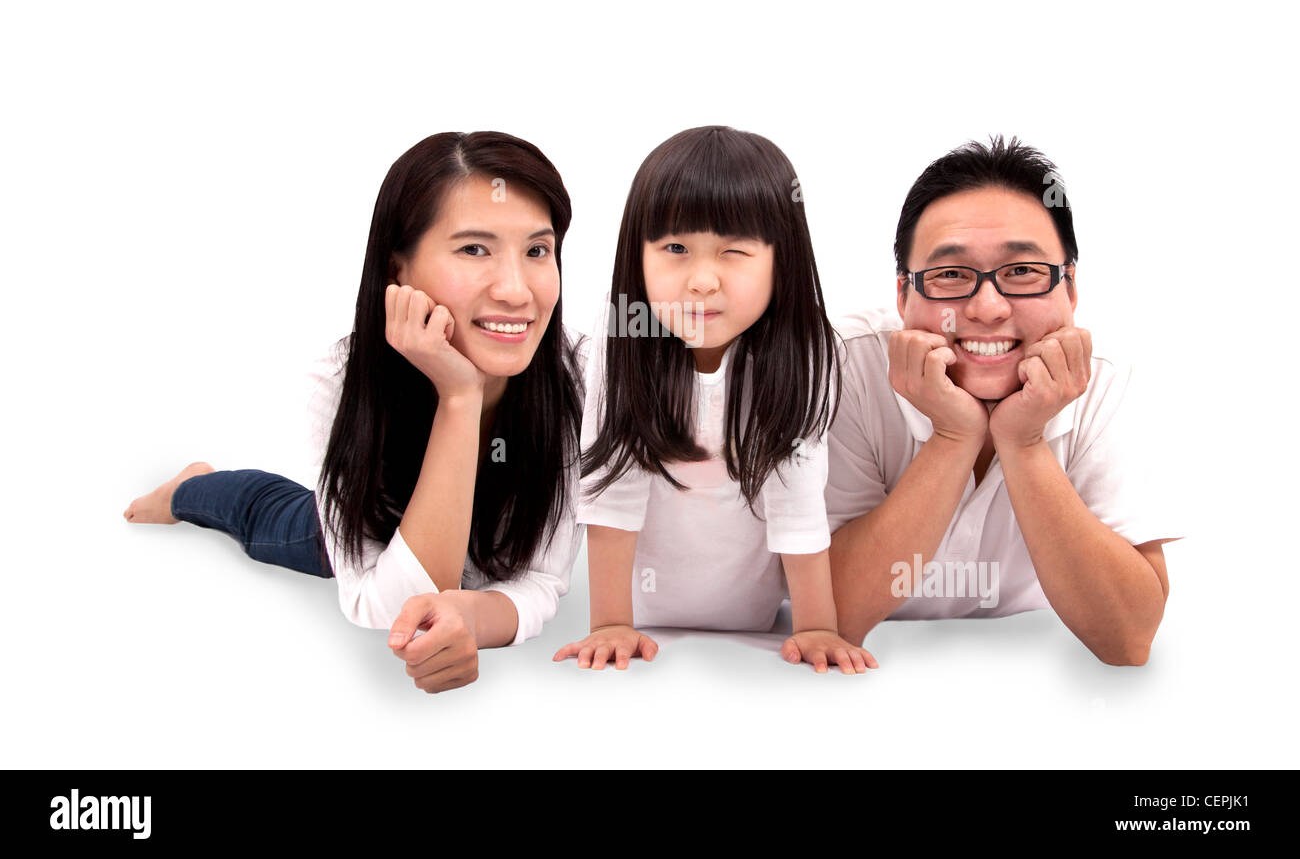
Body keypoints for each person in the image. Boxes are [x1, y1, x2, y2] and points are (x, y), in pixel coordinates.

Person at [124, 131, 585, 692]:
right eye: (474, 249)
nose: (517, 291)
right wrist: (459, 399)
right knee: (263, 517)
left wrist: (472, 619)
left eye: (537, 250)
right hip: (372, 532)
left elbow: (541, 579)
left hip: (458, 557)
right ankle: (187, 489)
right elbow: (379, 603)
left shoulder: (580, 378)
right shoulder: (338, 381)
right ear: (399, 271)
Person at [826, 136, 1175, 665]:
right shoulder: (843, 367)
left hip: (1025, 669)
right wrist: (953, 437)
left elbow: (1128, 639)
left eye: (1021, 272)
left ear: (1071, 289)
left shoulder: (1101, 380)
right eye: (950, 275)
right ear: (903, 296)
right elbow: (831, 616)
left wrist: (1024, 440)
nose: (987, 308)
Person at [553, 125, 876, 674]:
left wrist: (816, 625)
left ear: (782, 262)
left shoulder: (807, 351)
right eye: (675, 249)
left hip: (760, 616)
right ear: (639, 255)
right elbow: (613, 490)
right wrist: (609, 623)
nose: (702, 280)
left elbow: (797, 494)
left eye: (733, 251)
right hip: (648, 612)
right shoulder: (622, 340)